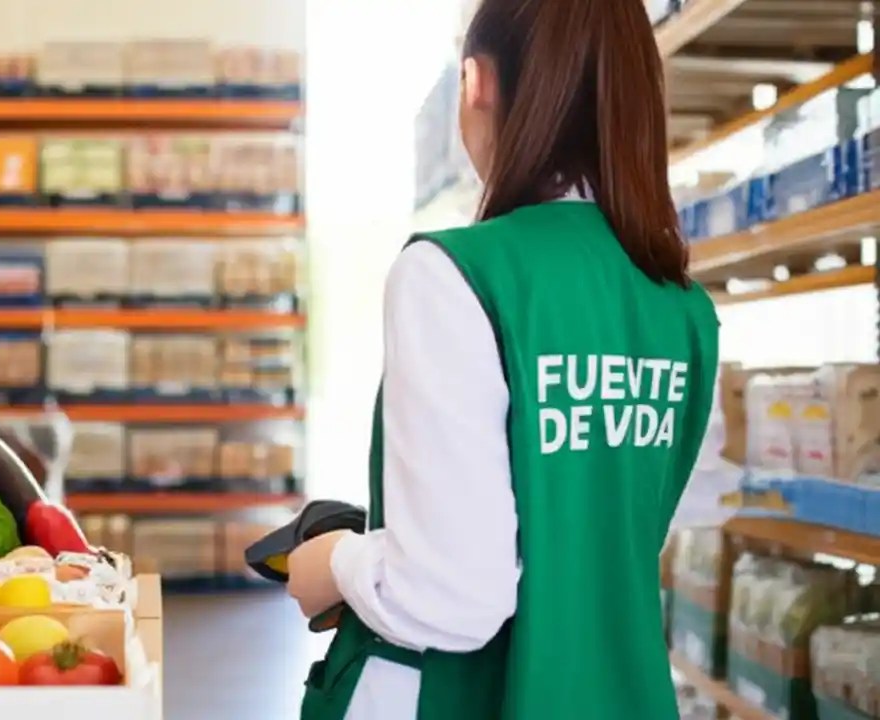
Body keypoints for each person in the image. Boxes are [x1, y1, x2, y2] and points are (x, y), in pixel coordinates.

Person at [284, 0, 720, 718]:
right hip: (623, 695)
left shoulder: (456, 272)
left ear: (476, 82)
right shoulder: (681, 307)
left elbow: (454, 595)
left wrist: (329, 563)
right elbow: (593, 519)